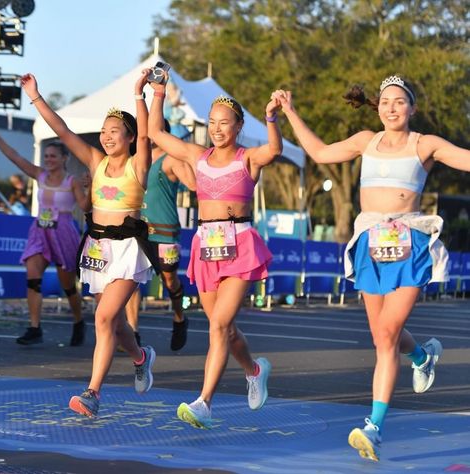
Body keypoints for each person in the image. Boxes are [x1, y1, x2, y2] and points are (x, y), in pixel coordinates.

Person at [274, 75, 470, 461]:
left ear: (412, 108)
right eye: (385, 101)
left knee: (387, 331)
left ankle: (374, 427)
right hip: (370, 244)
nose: (391, 107)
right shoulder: (366, 141)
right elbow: (319, 153)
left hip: (410, 243)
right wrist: (289, 113)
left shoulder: (424, 144)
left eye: (399, 102)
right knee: (383, 338)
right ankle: (421, 357)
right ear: (377, 106)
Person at [149, 72, 283, 429]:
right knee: (223, 329)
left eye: (224, 123)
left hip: (239, 244)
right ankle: (254, 370)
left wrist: (271, 118)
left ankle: (204, 403)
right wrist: (158, 93)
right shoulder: (196, 155)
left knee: (220, 325)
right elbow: (155, 134)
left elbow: (275, 150)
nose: (217, 129)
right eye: (212, 123)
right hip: (206, 246)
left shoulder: (248, 158)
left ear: (238, 126)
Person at [20, 70, 156, 418]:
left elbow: (146, 139)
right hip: (97, 249)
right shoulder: (95, 161)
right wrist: (35, 96)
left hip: (128, 249)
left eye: (115, 131)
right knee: (115, 324)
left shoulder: (138, 165)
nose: (107, 136)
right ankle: (141, 358)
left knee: (106, 317)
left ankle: (92, 392)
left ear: (129, 137)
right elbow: (62, 131)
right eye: (104, 131)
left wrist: (142, 95)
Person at [0, 133, 90, 346]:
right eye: (46, 156)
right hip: (40, 230)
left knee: (68, 286)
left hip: (63, 231)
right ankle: (34, 327)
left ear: (64, 158)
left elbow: (85, 206)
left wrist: (90, 188)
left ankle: (78, 321)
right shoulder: (39, 175)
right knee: (32, 277)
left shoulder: (71, 181)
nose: (48, 160)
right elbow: (15, 156)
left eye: (53, 156)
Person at [125, 119, 196, 351]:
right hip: (138, 230)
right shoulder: (133, 161)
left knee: (169, 280)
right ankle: (133, 330)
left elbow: (195, 185)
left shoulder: (170, 159)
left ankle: (179, 318)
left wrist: (192, 158)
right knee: (132, 280)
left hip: (164, 230)